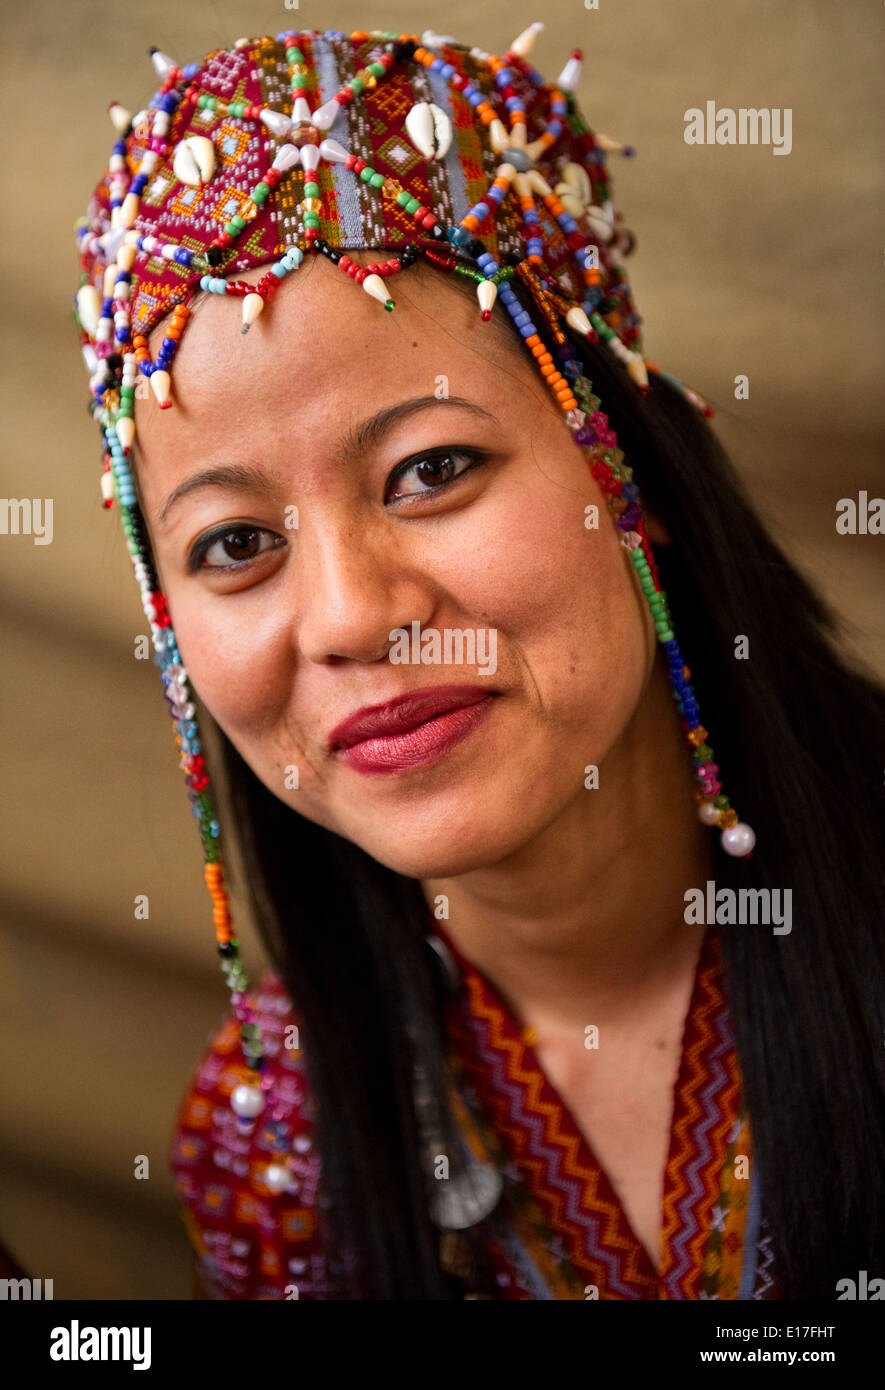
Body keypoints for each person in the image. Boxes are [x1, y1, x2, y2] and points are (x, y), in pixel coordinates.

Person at [71, 25, 885, 1301]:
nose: (347, 617)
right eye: (233, 542)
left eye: (433, 469)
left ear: (631, 473)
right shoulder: (272, 1137)